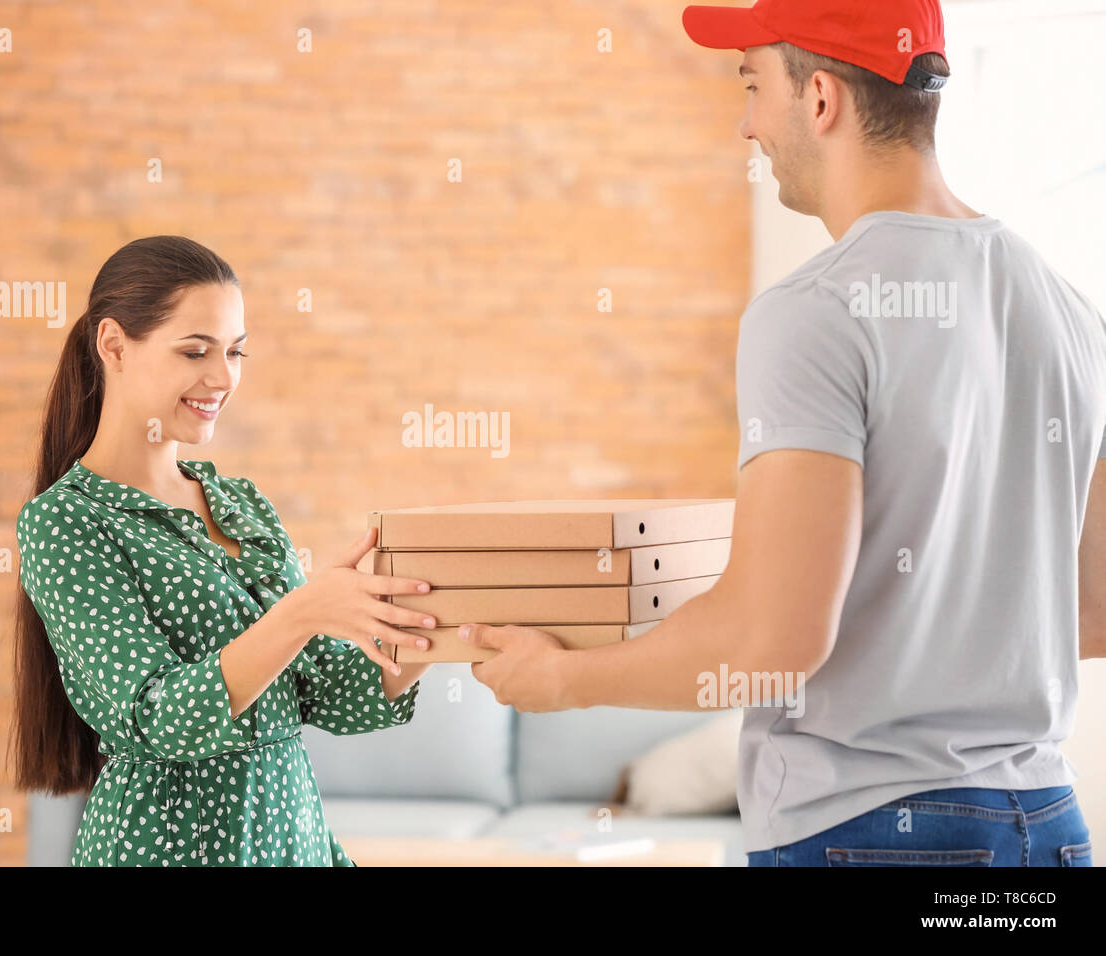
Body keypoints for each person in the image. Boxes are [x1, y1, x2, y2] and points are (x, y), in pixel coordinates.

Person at [461, 0, 1106, 866]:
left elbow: (775, 640)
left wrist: (563, 680)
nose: (745, 124)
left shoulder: (816, 311)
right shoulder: (1066, 306)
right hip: (1049, 825)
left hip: (870, 834)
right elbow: (1093, 611)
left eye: (753, 84)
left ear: (822, 99)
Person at [9, 235, 436, 866]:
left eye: (235, 352)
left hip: (293, 845)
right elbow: (155, 719)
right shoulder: (66, 524)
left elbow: (328, 698)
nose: (223, 377)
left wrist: (425, 628)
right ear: (113, 345)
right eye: (195, 351)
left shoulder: (241, 504)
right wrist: (304, 612)